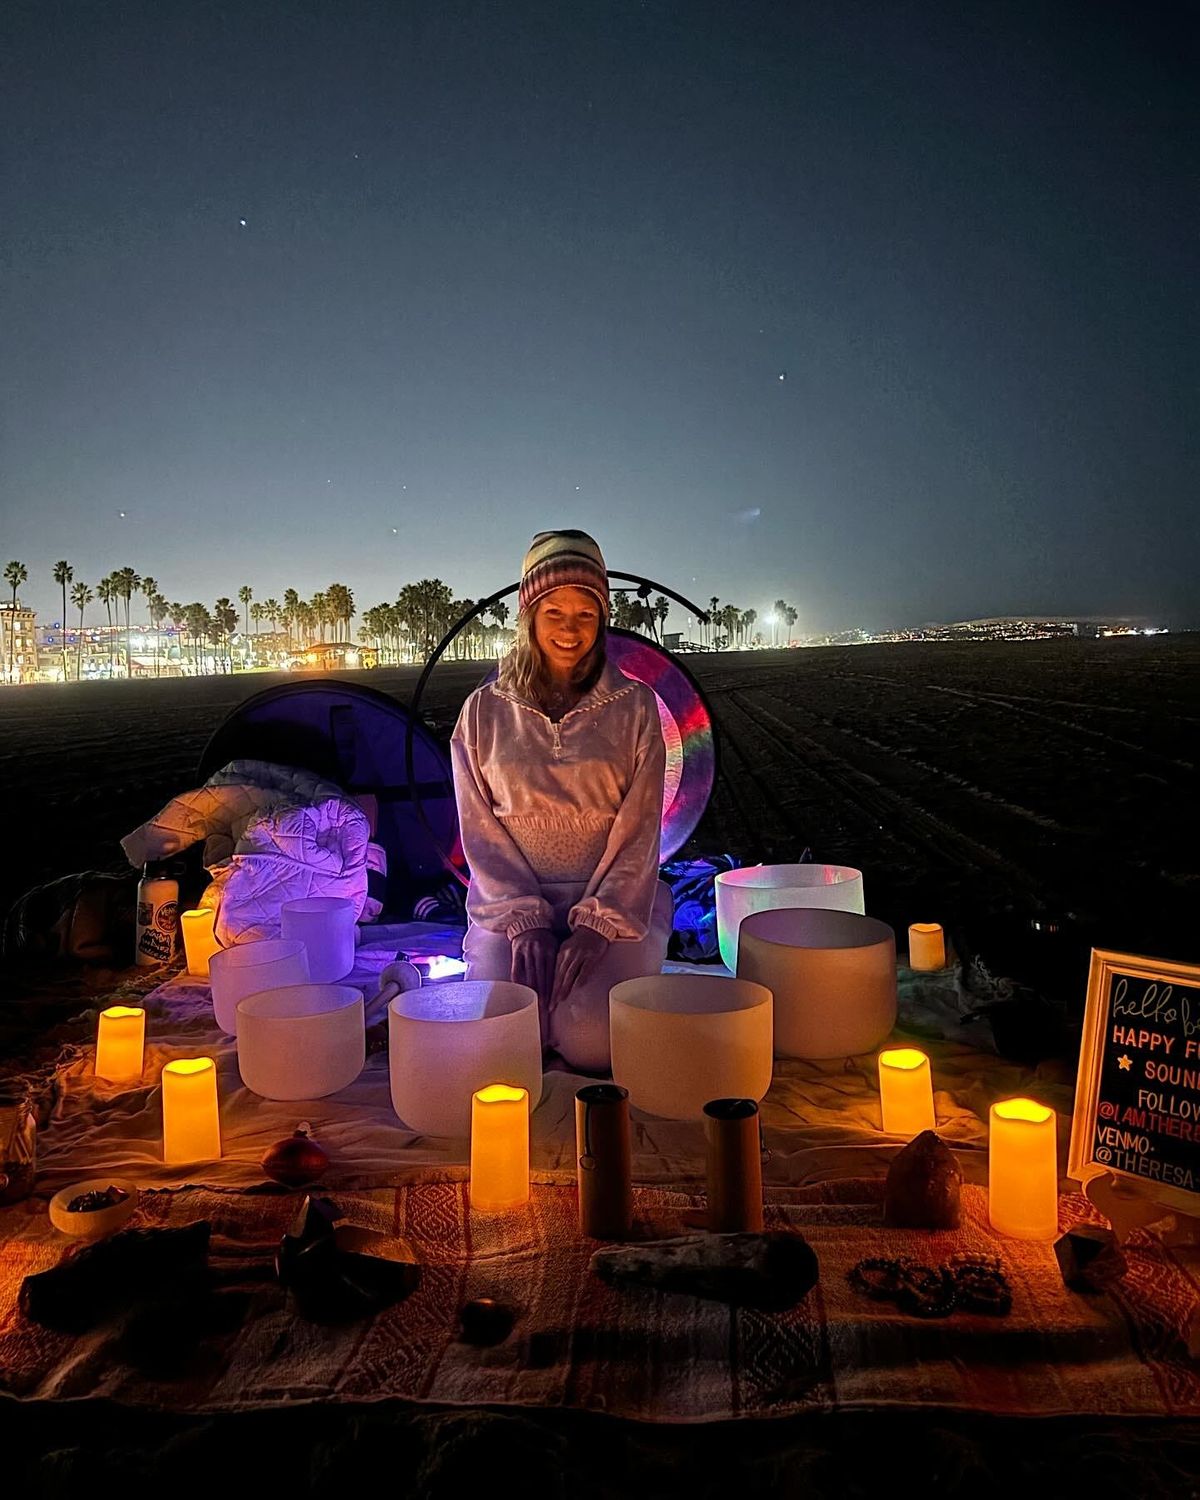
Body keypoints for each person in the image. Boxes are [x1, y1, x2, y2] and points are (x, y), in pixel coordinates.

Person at [451, 529, 672, 1072]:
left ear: (602, 620)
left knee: (594, 1042)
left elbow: (641, 829)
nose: (570, 630)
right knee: (502, 1038)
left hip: (615, 905)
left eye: (585, 614)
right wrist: (524, 919)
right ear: (529, 615)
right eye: (554, 612)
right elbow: (480, 832)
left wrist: (597, 925)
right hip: (509, 906)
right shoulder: (483, 711)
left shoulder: (636, 707)